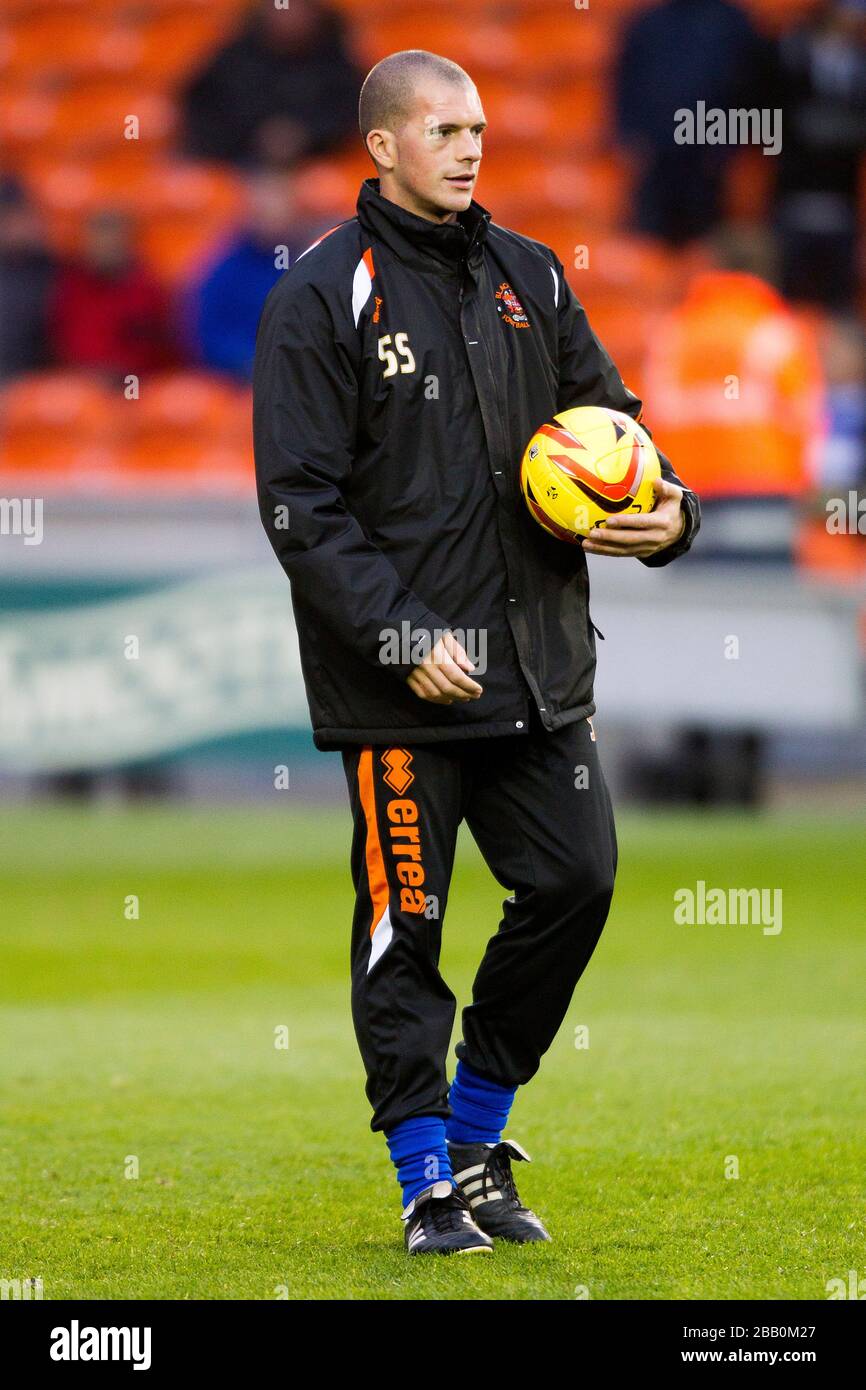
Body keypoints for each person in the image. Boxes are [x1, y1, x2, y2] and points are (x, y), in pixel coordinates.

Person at [254, 50, 701, 1257]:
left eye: (480, 130)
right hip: (397, 687)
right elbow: (298, 504)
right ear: (383, 146)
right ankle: (421, 1182)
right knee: (407, 924)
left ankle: (474, 1130)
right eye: (445, 129)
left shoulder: (532, 276)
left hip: (537, 670)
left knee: (576, 882)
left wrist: (670, 511)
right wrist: (402, 635)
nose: (469, 149)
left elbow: (615, 429)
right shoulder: (319, 296)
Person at [614, 0, 767, 244]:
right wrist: (630, 134)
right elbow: (627, 81)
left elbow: (753, 86)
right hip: (658, 152)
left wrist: (733, 144)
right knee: (651, 237)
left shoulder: (733, 22)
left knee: (706, 240)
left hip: (711, 152)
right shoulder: (650, 22)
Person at [181, 0, 361, 168]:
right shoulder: (233, 57)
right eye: (281, 6)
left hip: (323, 162)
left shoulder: (338, 59)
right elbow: (207, 109)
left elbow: (351, 113)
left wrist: (307, 135)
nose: (290, 15)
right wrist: (256, 137)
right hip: (240, 162)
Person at [773, 0, 866, 307]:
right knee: (792, 302)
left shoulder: (857, 68)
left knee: (839, 306)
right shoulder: (787, 59)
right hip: (795, 198)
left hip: (843, 203)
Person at [189, 167, 312, 381]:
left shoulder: (316, 258)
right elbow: (208, 334)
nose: (271, 215)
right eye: (263, 209)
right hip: (240, 380)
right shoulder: (222, 268)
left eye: (278, 206)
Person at [49, 208, 174, 377]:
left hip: (133, 380)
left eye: (112, 239)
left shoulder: (149, 290)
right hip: (78, 380)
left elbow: (154, 349)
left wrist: (118, 372)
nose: (104, 246)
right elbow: (58, 338)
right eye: (97, 239)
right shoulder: (69, 286)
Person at [0, 176, 55, 383]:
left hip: (36, 378)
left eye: (19, 218)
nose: (14, 227)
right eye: (7, 219)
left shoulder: (52, 270)